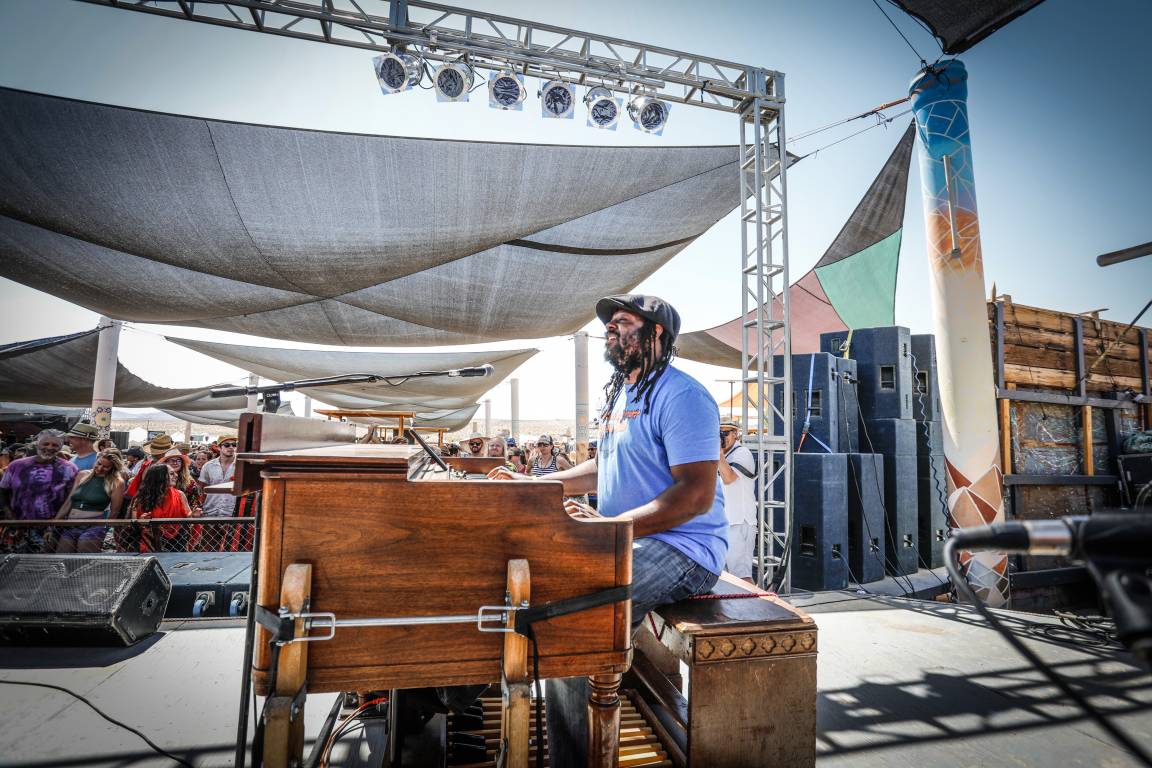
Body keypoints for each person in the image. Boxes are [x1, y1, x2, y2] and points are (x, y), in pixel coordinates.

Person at [489, 294, 726, 768]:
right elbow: (603, 467)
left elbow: (696, 494)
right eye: (609, 324)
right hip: (626, 539)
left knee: (571, 623)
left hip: (685, 549)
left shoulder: (683, 395)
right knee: (539, 588)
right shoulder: (620, 395)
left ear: (656, 332)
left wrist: (610, 528)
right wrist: (535, 485)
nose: (610, 330)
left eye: (622, 322)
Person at [0, 430, 78, 553]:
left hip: (51, 529)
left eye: (55, 445)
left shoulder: (69, 468)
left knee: (45, 563)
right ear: (38, 444)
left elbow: (71, 499)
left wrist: (54, 525)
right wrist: (10, 516)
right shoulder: (16, 466)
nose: (50, 448)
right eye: (46, 444)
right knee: (12, 562)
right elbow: (3, 492)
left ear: (60, 447)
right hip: (16, 526)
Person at [54, 449, 126, 554]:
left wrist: (104, 529)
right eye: (99, 464)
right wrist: (53, 525)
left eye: (106, 467)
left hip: (93, 526)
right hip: (70, 524)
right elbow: (69, 502)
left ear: (113, 468)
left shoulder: (116, 482)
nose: (100, 468)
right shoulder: (82, 475)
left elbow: (115, 511)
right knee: (62, 557)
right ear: (96, 460)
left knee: (85, 560)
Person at [718, 421, 757, 581]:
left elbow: (729, 478)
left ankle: (754, 599)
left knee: (742, 578)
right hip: (725, 523)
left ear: (735, 434)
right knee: (725, 579)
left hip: (740, 523)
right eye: (718, 434)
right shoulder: (722, 456)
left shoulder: (742, 453)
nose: (721, 438)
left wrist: (718, 454)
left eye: (724, 433)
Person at [130, 463, 195, 552]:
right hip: (151, 544)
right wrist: (141, 520)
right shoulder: (141, 498)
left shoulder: (180, 495)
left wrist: (194, 515)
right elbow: (134, 522)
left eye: (175, 473)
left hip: (177, 542)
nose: (176, 475)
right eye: (171, 474)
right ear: (159, 477)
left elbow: (188, 518)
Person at [198, 434, 239, 550]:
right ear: (219, 447)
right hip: (210, 512)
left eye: (234, 445)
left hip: (231, 514)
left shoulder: (241, 465)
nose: (231, 447)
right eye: (227, 445)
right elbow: (202, 489)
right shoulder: (208, 466)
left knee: (230, 550)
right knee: (208, 549)